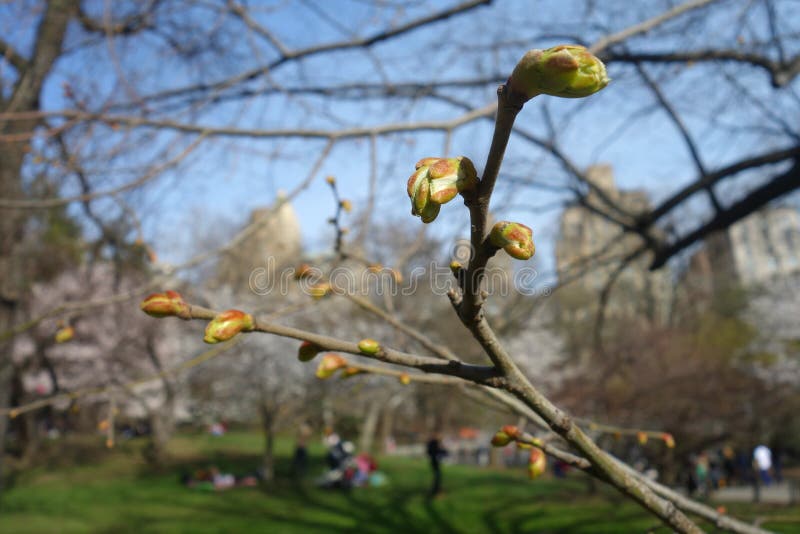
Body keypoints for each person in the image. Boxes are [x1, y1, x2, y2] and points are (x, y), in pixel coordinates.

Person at [426, 433, 448, 498]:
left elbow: (429, 452)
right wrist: (443, 451)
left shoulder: (431, 443)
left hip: (433, 461)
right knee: (437, 475)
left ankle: (436, 489)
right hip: (435, 461)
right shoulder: (434, 443)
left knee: (437, 475)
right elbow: (437, 451)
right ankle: (436, 489)